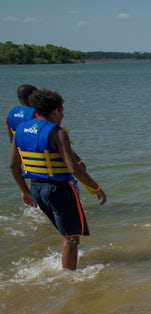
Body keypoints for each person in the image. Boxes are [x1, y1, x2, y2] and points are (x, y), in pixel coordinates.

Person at [9, 89, 107, 270]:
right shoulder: (58, 133)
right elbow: (74, 168)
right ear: (56, 110)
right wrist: (96, 188)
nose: (62, 115)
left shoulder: (20, 130)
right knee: (71, 239)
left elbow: (13, 166)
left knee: (67, 235)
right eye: (62, 111)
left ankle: (68, 266)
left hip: (36, 189)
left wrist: (24, 191)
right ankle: (69, 277)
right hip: (59, 190)